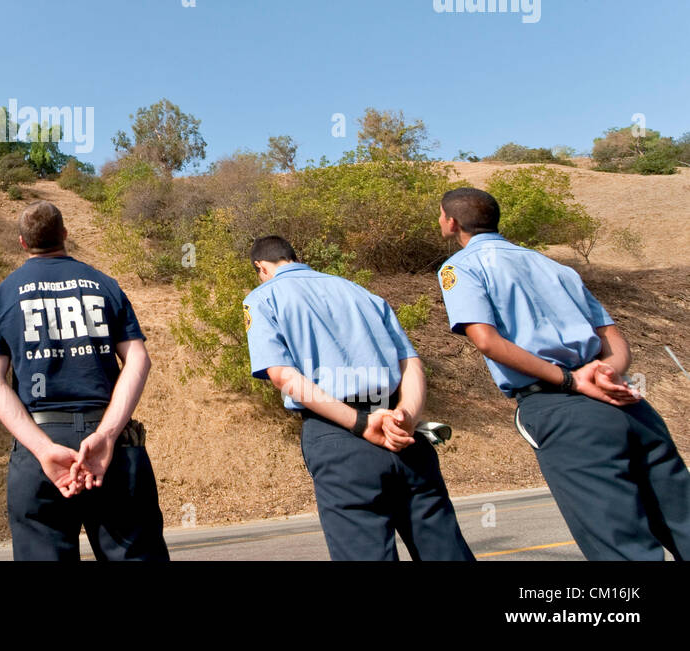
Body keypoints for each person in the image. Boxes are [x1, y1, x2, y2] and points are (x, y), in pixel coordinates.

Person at [437, 187, 690, 561]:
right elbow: (614, 340)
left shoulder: (461, 267)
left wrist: (572, 381)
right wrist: (604, 373)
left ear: (451, 222)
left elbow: (487, 341)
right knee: (683, 521)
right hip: (628, 405)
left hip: (562, 408)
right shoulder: (555, 267)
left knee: (620, 544)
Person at [244, 235, 474, 561]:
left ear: (260, 267)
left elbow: (284, 377)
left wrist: (362, 423)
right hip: (402, 430)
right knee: (446, 551)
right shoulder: (360, 292)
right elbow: (410, 364)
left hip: (340, 437)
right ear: (294, 256)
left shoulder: (263, 298)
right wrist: (405, 415)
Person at [0, 201, 169, 562]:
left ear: (22, 242)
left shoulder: (3, 294)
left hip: (41, 450)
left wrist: (42, 449)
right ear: (65, 234)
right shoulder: (104, 284)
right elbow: (138, 359)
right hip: (111, 449)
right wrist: (108, 435)